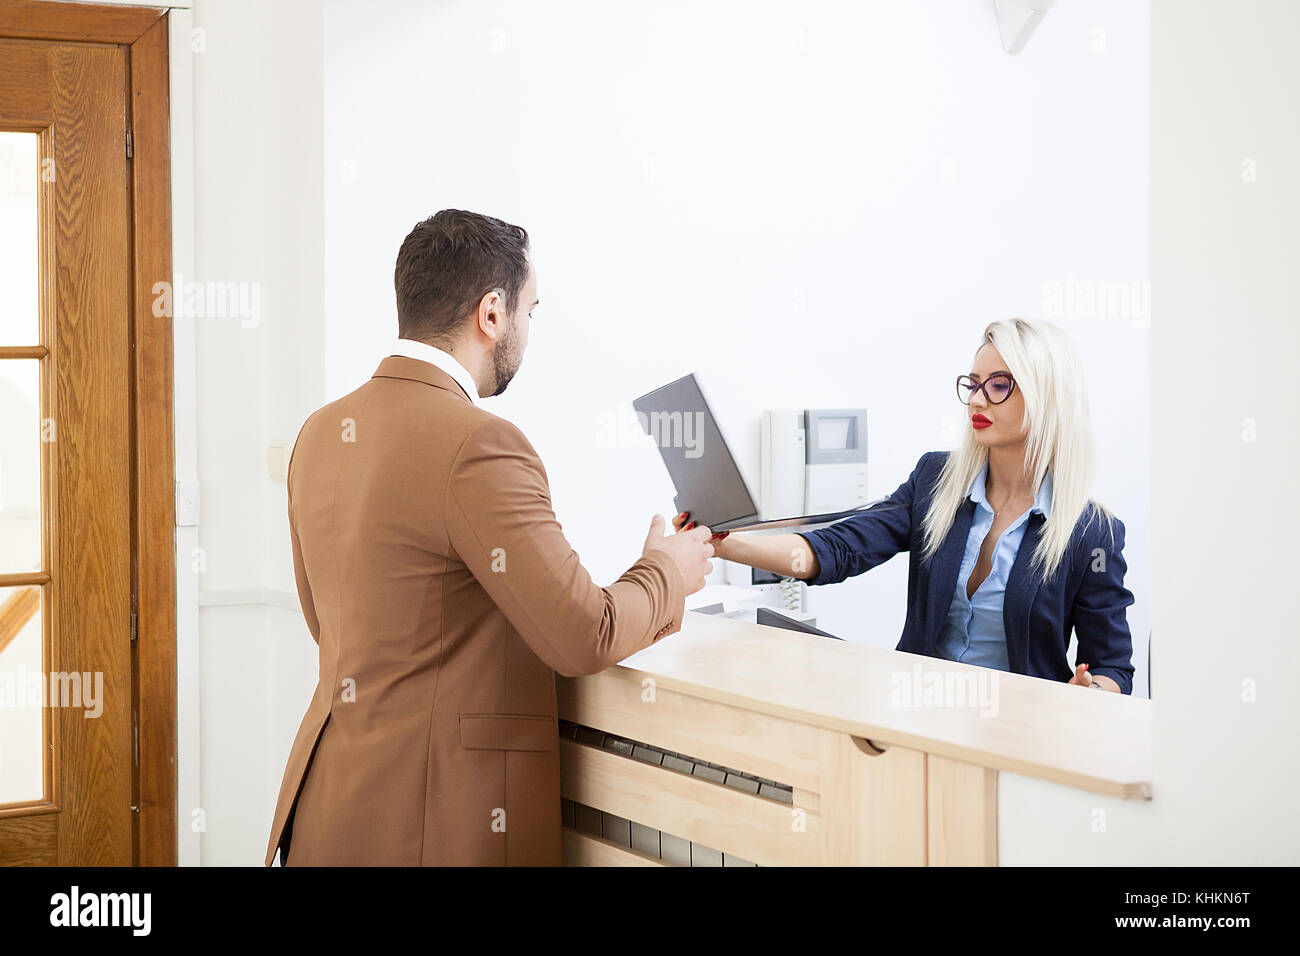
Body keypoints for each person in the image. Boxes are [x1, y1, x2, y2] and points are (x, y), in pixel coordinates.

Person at [265, 209, 715, 866]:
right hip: (434, 824)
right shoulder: (480, 444)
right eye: (530, 311)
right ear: (492, 314)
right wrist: (666, 568)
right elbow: (583, 634)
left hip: (328, 809)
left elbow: (335, 622)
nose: (529, 333)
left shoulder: (322, 431)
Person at [678, 318, 1135, 693]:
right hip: (919, 722)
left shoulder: (1091, 531)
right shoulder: (935, 481)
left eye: (999, 386)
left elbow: (1114, 667)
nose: (976, 398)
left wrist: (1090, 693)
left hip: (1021, 742)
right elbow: (838, 549)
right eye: (973, 384)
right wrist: (723, 543)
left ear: (1045, 397)